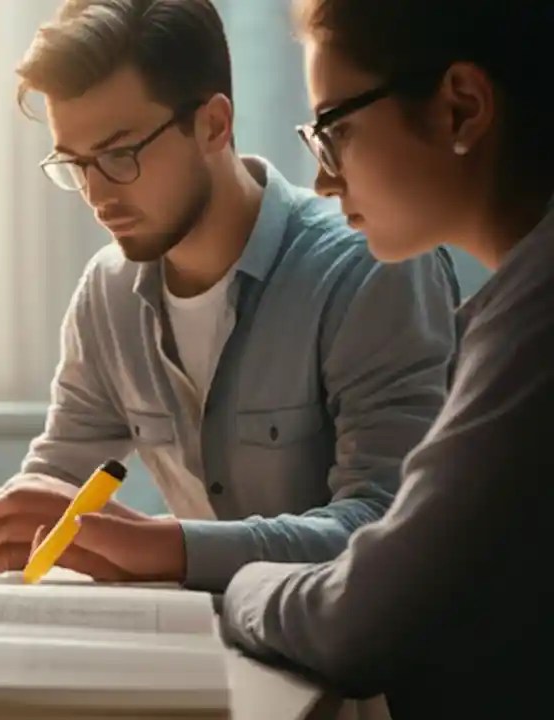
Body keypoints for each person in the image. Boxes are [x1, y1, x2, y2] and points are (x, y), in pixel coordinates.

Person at [0, 0, 460, 593]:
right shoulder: (109, 292)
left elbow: (384, 527)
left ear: (213, 125)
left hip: (356, 673)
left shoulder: (369, 273)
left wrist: (162, 545)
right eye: (76, 163)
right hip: (205, 654)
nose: (96, 195)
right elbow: (56, 482)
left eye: (119, 155)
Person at [216, 0, 554, 715]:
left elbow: (361, 618)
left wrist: (237, 587)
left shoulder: (536, 322)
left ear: (461, 108)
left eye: (335, 131)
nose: (323, 183)